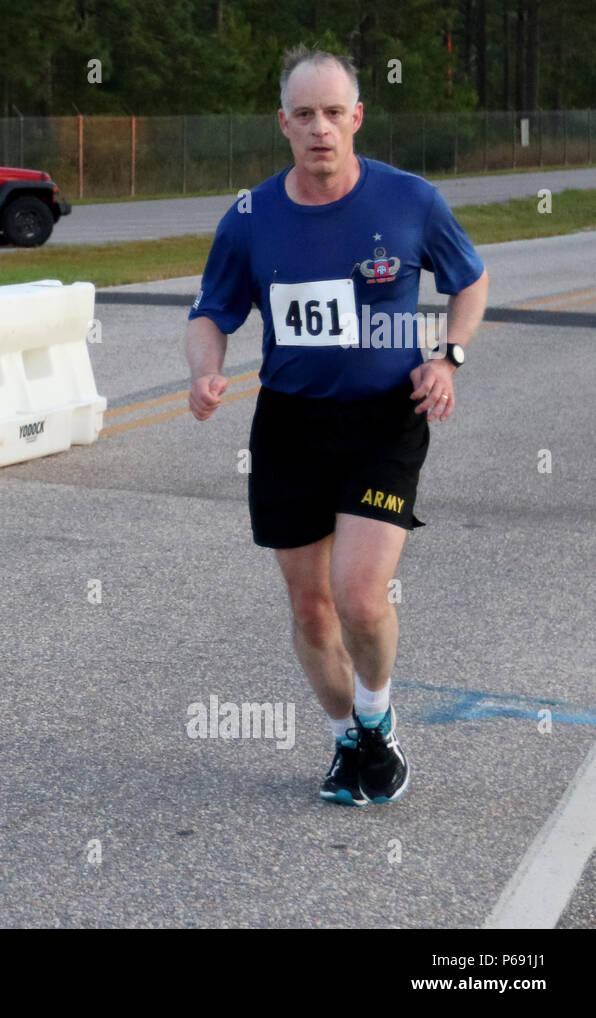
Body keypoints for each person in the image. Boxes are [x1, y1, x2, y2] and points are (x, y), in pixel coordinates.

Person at [185, 44, 489, 805]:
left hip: (386, 421)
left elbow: (470, 279)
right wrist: (204, 369)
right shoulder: (251, 217)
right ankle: (345, 739)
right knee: (310, 606)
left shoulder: (410, 199)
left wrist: (447, 358)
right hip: (289, 426)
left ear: (357, 117)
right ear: (281, 123)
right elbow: (212, 310)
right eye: (304, 114)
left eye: (333, 113)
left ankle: (380, 717)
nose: (320, 128)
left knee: (358, 595)